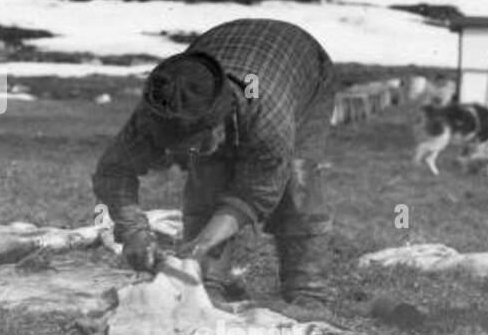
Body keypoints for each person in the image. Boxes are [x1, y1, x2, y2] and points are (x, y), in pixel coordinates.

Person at [92, 19, 337, 316]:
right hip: (227, 47)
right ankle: (207, 284)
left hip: (300, 63)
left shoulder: (265, 115)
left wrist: (202, 243)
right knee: (208, 173)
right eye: (181, 148)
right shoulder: (159, 108)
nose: (189, 154)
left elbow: (257, 191)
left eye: (198, 143)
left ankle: (308, 291)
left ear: (222, 118)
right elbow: (114, 171)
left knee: (298, 179)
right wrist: (134, 231)